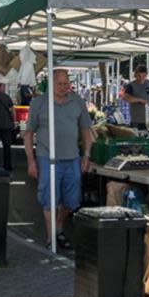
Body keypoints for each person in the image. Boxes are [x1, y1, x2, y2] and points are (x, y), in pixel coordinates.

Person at [24, 69, 94, 250]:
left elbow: (86, 130)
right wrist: (31, 160)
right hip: (46, 157)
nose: (64, 87)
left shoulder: (77, 101)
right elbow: (29, 133)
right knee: (49, 198)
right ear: (52, 83)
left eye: (66, 84)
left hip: (72, 157)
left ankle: (58, 226)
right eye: (60, 84)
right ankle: (51, 238)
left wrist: (86, 154)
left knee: (71, 201)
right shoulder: (39, 103)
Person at [119, 65, 149, 131]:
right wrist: (139, 100)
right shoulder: (131, 85)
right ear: (136, 74)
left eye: (144, 76)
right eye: (139, 76)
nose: (141, 78)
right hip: (137, 120)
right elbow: (125, 98)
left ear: (146, 75)